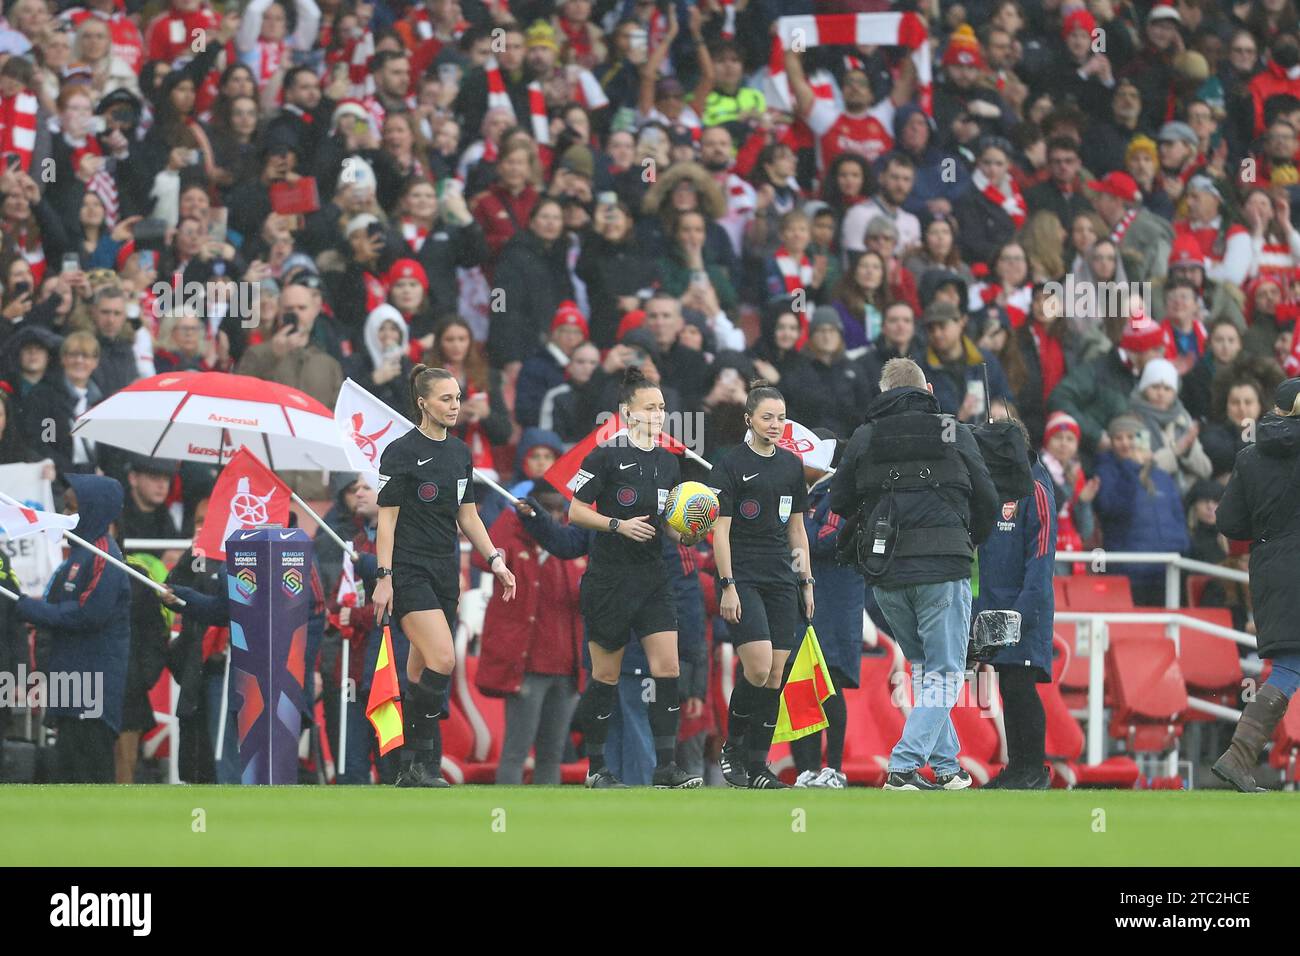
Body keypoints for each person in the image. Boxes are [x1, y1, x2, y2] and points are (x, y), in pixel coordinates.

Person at [829, 357, 999, 790]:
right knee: (944, 672)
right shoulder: (951, 430)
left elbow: (839, 500)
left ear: (883, 391)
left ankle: (946, 768)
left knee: (926, 668)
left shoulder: (866, 435)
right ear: (926, 387)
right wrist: (967, 540)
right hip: (943, 569)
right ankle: (903, 766)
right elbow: (987, 498)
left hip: (885, 575)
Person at [368, 365, 518, 788]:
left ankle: (406, 767)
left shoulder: (459, 453)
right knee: (444, 659)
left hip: (445, 571)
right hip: (408, 570)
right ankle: (424, 763)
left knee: (420, 674)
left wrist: (495, 560)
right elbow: (387, 522)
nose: (454, 406)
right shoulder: (399, 451)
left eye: (457, 398)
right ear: (423, 403)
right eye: (445, 399)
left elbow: (467, 515)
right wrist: (385, 576)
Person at [566, 366, 701, 789]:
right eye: (650, 408)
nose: (659, 415)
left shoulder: (668, 461)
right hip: (609, 578)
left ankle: (665, 768)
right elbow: (575, 511)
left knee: (668, 668)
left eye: (662, 408)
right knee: (605, 676)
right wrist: (617, 525)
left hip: (653, 576)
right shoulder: (604, 455)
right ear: (627, 413)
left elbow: (670, 526)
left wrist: (692, 528)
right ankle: (596, 768)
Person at [713, 383, 814, 790]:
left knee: (776, 676)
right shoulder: (730, 464)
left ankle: (757, 767)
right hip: (745, 576)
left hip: (782, 579)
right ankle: (732, 749)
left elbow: (798, 530)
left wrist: (805, 581)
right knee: (756, 669)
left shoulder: (791, 466)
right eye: (767, 417)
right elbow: (720, 533)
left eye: (781, 417)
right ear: (749, 419)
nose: (775, 424)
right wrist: (728, 585)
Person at [11, 474, 130, 783]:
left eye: (72, 509)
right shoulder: (77, 557)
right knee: (68, 777)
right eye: (64, 508)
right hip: (70, 686)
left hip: (93, 692)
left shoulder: (106, 558)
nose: (64, 517)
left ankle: (104, 832)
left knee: (89, 777)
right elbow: (56, 605)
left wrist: (29, 608)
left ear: (94, 510)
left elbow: (87, 615)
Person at [1213, 378, 1300, 792]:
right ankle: (1237, 757)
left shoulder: (1250, 456)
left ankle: (1238, 758)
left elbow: (1229, 523)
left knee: (1287, 664)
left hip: (1270, 568)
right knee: (1289, 668)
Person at [972, 413, 1056, 790]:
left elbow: (1040, 561)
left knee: (1022, 685)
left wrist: (1022, 613)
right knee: (1008, 685)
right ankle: (1017, 766)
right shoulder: (995, 489)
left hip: (1024, 609)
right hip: (994, 608)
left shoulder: (1036, 490)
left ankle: (1034, 768)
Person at [790, 428, 860, 789]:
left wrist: (790, 519)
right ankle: (805, 769)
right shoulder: (803, 493)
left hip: (834, 602)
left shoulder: (840, 494)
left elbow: (823, 540)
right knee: (798, 685)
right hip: (801, 602)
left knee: (828, 685)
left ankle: (833, 767)